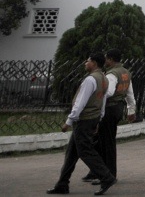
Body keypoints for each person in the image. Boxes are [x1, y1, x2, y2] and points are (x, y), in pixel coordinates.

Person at [46, 53, 117, 196]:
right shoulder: (103, 79)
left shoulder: (90, 80)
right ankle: (62, 184)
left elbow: (80, 103)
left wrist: (68, 121)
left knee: (85, 151)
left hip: (83, 120)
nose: (86, 63)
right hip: (93, 118)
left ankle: (106, 177)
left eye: (88, 60)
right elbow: (102, 101)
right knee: (71, 154)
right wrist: (99, 119)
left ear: (95, 63)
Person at [92, 49, 135, 183]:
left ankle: (108, 174)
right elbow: (129, 92)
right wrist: (131, 109)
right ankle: (96, 171)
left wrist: (98, 106)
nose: (105, 61)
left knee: (106, 143)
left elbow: (108, 93)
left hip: (109, 108)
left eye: (106, 59)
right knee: (101, 141)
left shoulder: (111, 74)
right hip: (118, 108)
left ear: (110, 59)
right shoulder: (125, 72)